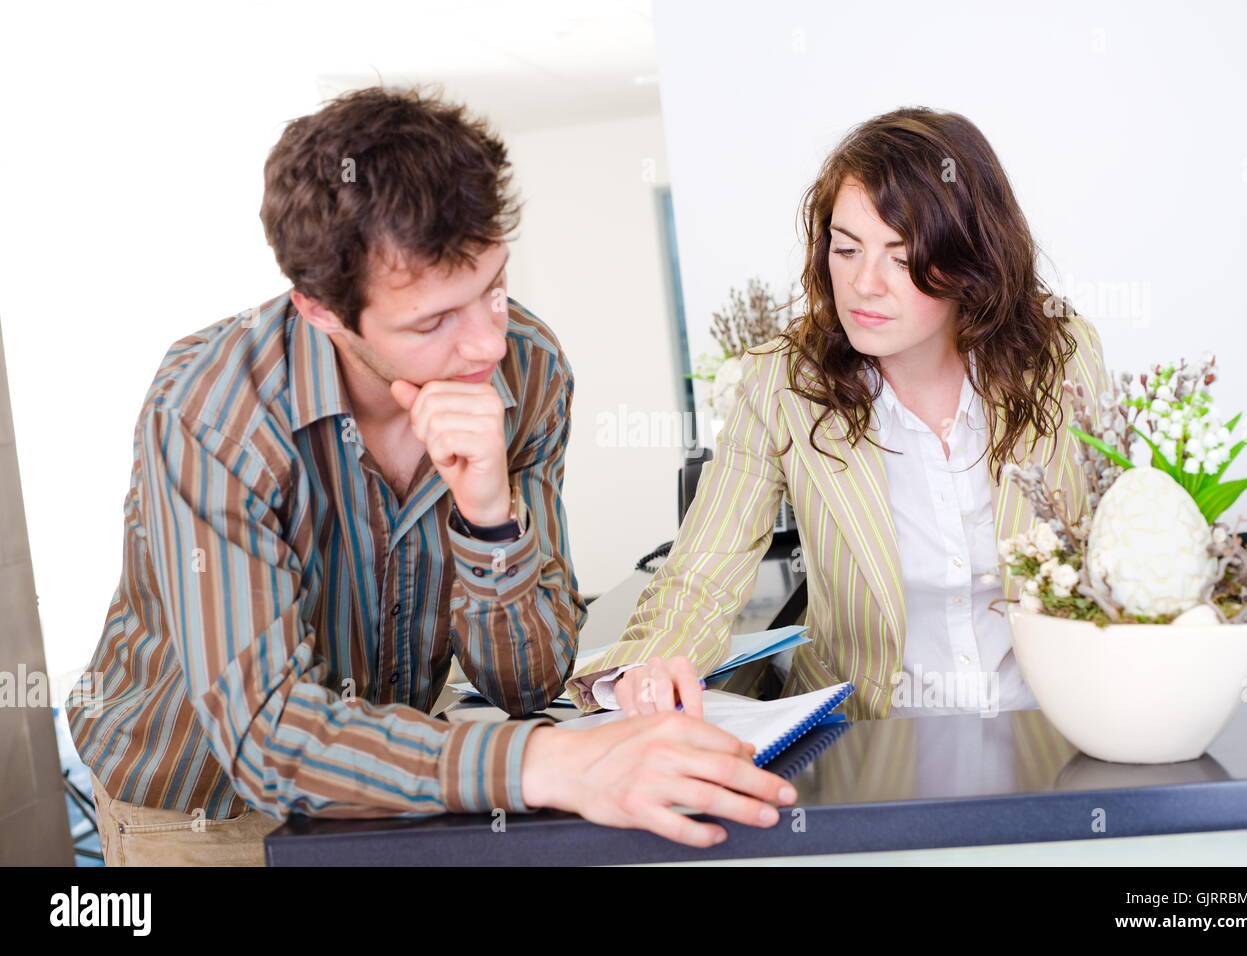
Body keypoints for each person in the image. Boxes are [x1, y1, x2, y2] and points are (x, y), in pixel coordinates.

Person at [66, 85, 794, 865]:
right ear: (324, 313)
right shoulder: (211, 409)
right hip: (203, 805)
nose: (485, 345)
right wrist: (549, 764)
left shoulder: (532, 366)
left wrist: (487, 516)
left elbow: (528, 683)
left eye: (493, 289)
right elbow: (265, 737)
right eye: (432, 322)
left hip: (397, 775)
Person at [566, 107, 1110, 722]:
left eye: (901, 259)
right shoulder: (784, 381)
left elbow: (1108, 543)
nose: (863, 283)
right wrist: (656, 660)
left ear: (971, 261)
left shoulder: (1060, 356)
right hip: (872, 742)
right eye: (845, 249)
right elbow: (703, 568)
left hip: (1051, 722)